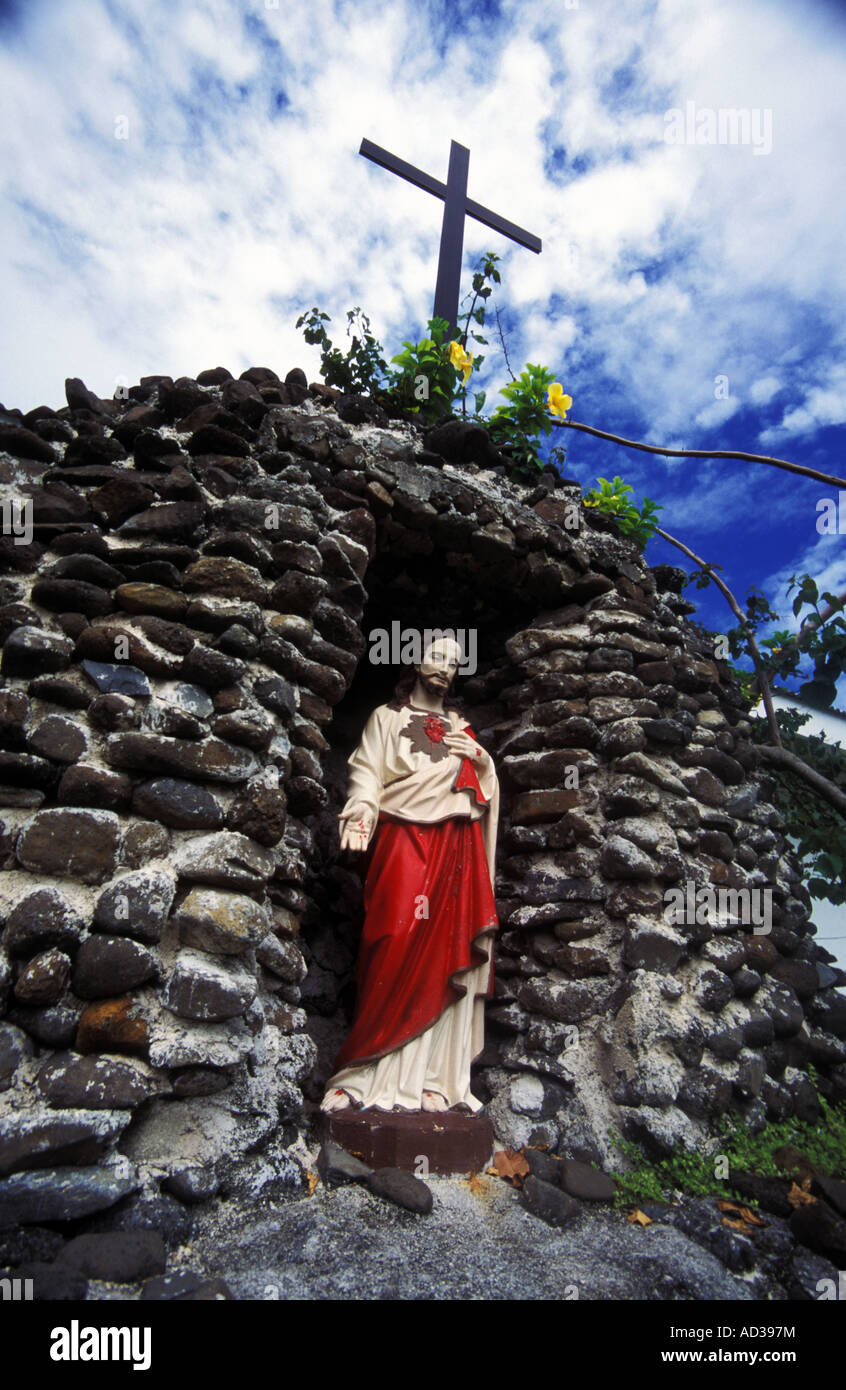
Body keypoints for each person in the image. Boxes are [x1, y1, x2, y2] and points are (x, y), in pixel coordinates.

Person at [320, 636, 499, 1114]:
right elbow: (366, 775)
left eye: (454, 663)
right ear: (417, 661)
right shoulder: (387, 718)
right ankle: (362, 1072)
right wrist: (360, 812)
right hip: (400, 842)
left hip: (454, 848)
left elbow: (483, 792)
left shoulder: (462, 728)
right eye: (437, 656)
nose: (444, 667)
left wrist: (481, 760)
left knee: (446, 945)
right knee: (392, 936)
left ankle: (434, 1077)